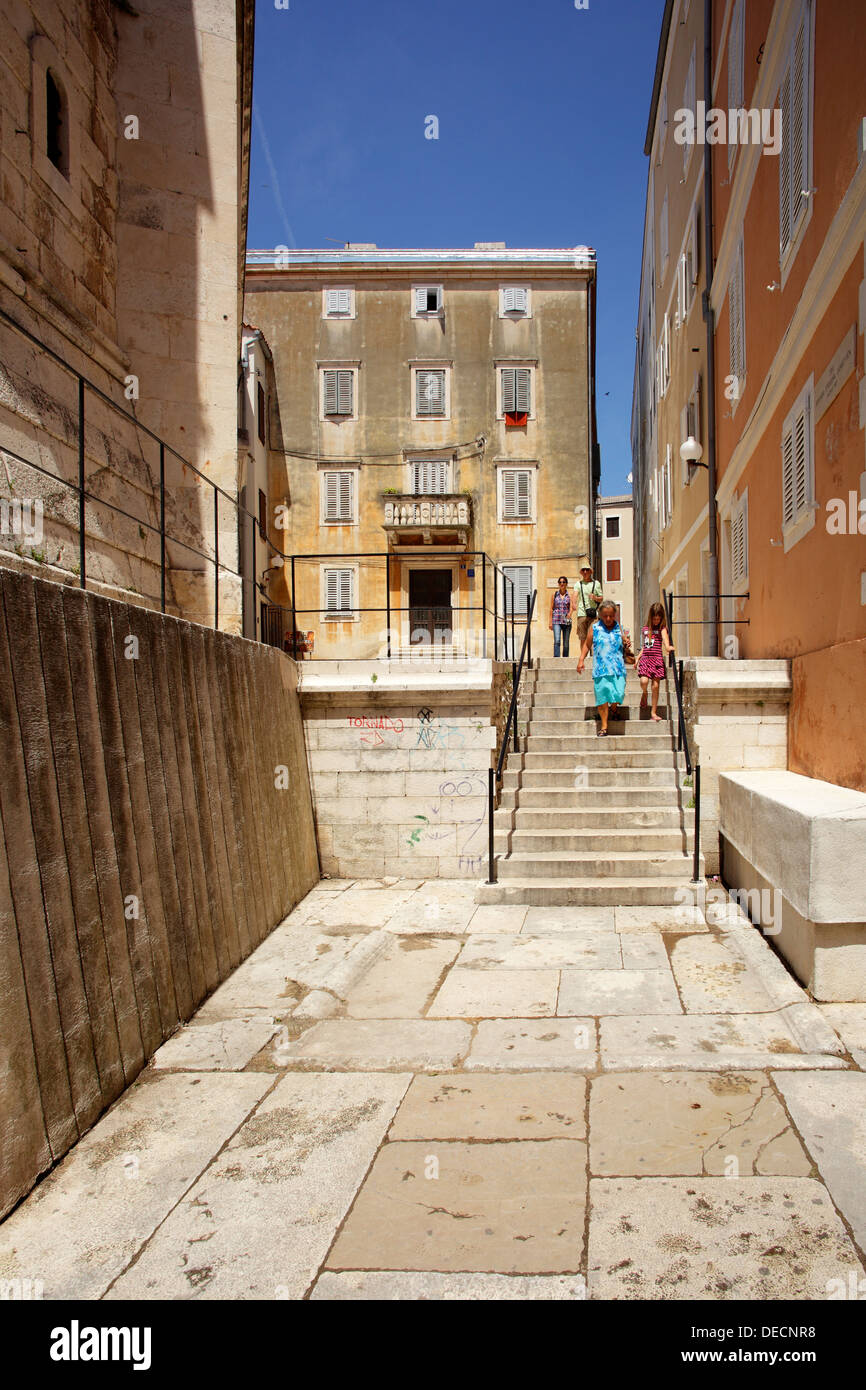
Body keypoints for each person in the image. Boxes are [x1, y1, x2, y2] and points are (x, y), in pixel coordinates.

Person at [577, 600, 629, 736]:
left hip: (617, 668)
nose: (608, 618)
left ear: (614, 615)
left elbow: (623, 640)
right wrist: (581, 660)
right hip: (601, 669)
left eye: (611, 615)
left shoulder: (619, 627)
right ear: (600, 615)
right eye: (605, 615)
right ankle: (604, 726)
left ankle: (614, 708)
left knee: (618, 694)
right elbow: (587, 645)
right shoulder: (595, 628)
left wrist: (626, 641)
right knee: (602, 699)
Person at [638, 601, 674, 722]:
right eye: (654, 619)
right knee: (644, 682)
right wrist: (638, 658)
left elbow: (665, 641)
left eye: (658, 619)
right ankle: (644, 693)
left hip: (657, 659)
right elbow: (646, 646)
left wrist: (668, 648)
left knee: (656, 686)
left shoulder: (662, 629)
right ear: (650, 617)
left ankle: (653, 712)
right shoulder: (645, 629)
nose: (656, 621)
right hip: (646, 659)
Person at [574, 564, 603, 652]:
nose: (585, 572)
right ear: (581, 572)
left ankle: (594, 656)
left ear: (590, 572)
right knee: (582, 637)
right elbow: (575, 595)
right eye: (583, 570)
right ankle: (584, 657)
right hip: (582, 614)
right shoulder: (578, 584)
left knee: (593, 635)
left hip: (593, 614)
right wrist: (573, 603)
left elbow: (601, 598)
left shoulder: (596, 583)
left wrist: (595, 598)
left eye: (587, 570)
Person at [548, 575, 573, 657]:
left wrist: (569, 614)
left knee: (566, 643)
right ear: (558, 584)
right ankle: (556, 659)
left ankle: (565, 660)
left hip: (566, 620)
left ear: (566, 584)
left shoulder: (569, 595)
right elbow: (551, 608)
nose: (562, 584)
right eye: (560, 582)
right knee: (557, 641)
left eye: (563, 582)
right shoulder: (554, 595)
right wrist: (550, 622)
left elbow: (571, 607)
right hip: (556, 620)